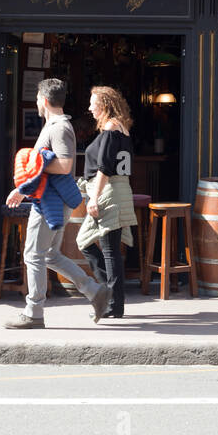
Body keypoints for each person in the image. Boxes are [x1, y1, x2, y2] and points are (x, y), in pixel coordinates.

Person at [3, 79, 110, 329]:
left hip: (49, 201)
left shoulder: (59, 128)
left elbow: (64, 165)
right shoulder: (55, 126)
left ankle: (33, 312)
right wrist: (24, 185)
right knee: (49, 254)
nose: (37, 102)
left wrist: (31, 166)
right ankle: (95, 292)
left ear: (45, 100)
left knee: (33, 255)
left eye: (39, 99)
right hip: (52, 199)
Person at [77, 85, 138, 320]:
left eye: (93, 103)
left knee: (109, 250)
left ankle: (113, 302)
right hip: (118, 190)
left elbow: (104, 167)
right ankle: (110, 296)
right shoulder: (121, 129)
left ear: (104, 105)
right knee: (90, 243)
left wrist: (94, 197)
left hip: (108, 192)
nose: (89, 108)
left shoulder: (111, 129)